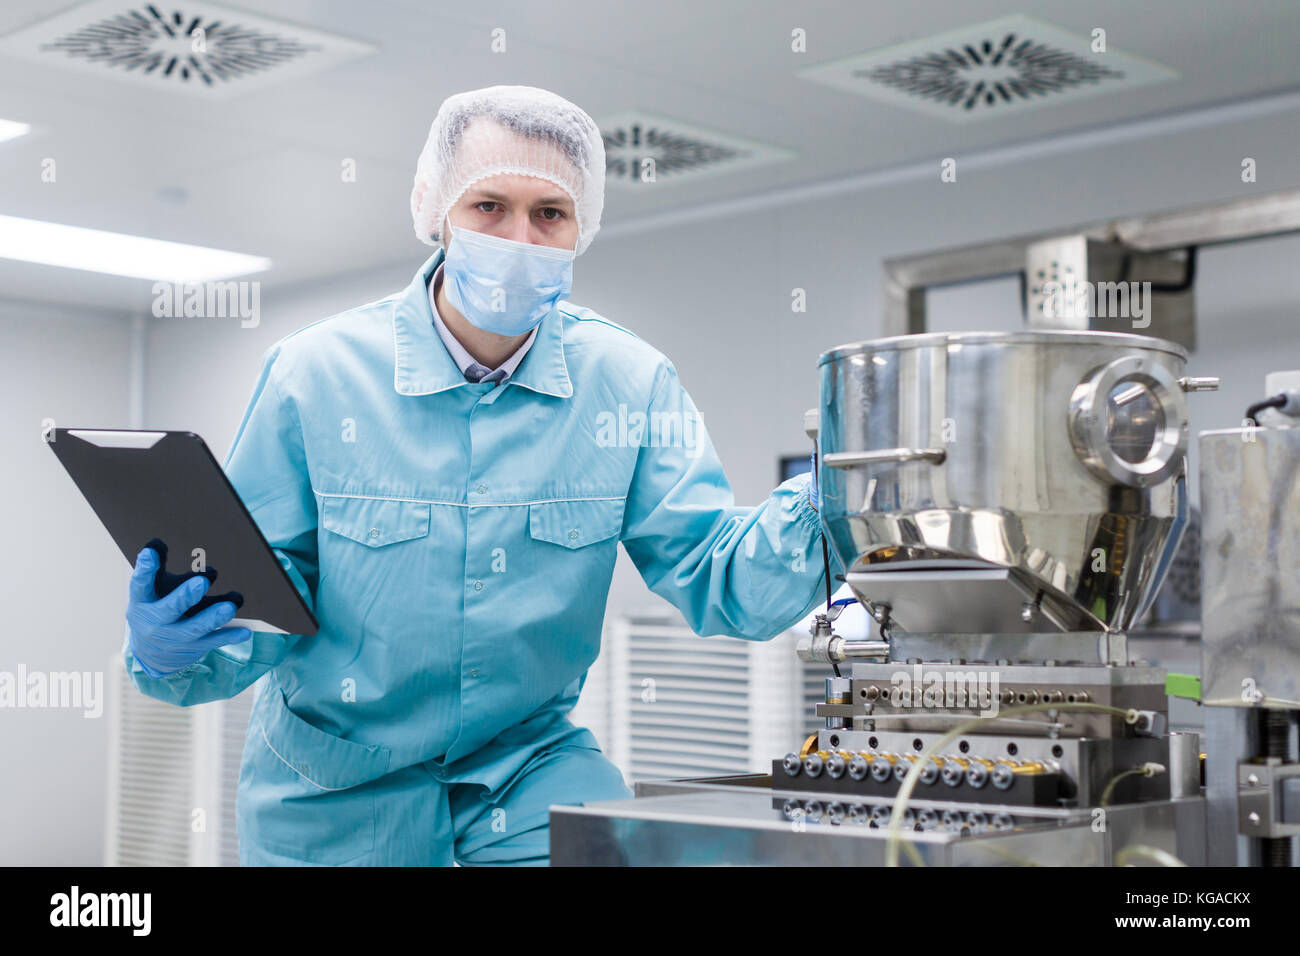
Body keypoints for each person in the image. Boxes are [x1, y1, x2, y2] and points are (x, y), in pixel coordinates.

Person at [123, 85, 833, 866]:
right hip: (332, 782)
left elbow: (718, 573)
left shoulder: (630, 383)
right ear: (435, 211)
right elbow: (262, 589)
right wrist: (175, 650)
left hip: (525, 767)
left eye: (550, 214)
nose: (520, 237)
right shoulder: (313, 376)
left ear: (582, 228)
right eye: (489, 206)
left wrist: (846, 496)